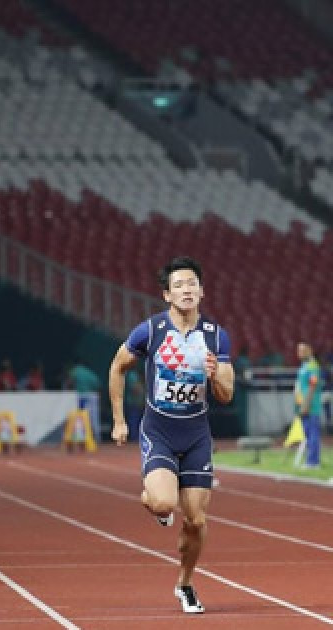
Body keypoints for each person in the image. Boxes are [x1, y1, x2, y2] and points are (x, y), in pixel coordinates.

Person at [108, 256, 234, 614]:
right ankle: (152, 500)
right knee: (164, 503)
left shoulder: (215, 336)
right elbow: (117, 367)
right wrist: (119, 420)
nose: (186, 290)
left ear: (202, 291)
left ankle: (185, 583)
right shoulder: (149, 331)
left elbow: (227, 393)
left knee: (196, 520)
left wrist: (216, 375)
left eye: (192, 284)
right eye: (178, 285)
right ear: (167, 294)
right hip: (159, 429)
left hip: (196, 433)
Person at [294, 342, 323, 468]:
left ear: (310, 351)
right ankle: (310, 459)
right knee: (307, 434)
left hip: (311, 405)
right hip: (302, 404)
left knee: (312, 434)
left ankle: (313, 462)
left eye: (302, 350)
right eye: (298, 350)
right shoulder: (304, 365)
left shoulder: (312, 366)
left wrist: (306, 404)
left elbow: (312, 385)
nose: (299, 353)